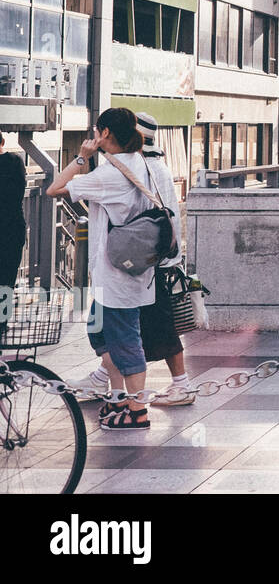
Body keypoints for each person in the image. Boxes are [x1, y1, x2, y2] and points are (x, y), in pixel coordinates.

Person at [46, 108, 181, 430]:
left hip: (116, 274)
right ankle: (119, 397)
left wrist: (81, 158)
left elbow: (54, 189)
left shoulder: (109, 174)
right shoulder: (143, 164)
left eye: (97, 130)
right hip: (139, 268)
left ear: (105, 133)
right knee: (109, 335)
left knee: (125, 340)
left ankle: (136, 410)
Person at [74, 113, 194, 407]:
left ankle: (170, 388)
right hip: (146, 262)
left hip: (140, 265)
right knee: (120, 327)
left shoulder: (137, 168)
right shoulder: (148, 166)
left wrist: (80, 161)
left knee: (139, 329)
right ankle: (107, 380)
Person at [0, 132, 26, 293]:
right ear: (3, 141)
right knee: (6, 282)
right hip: (12, 229)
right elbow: (18, 192)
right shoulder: (15, 161)